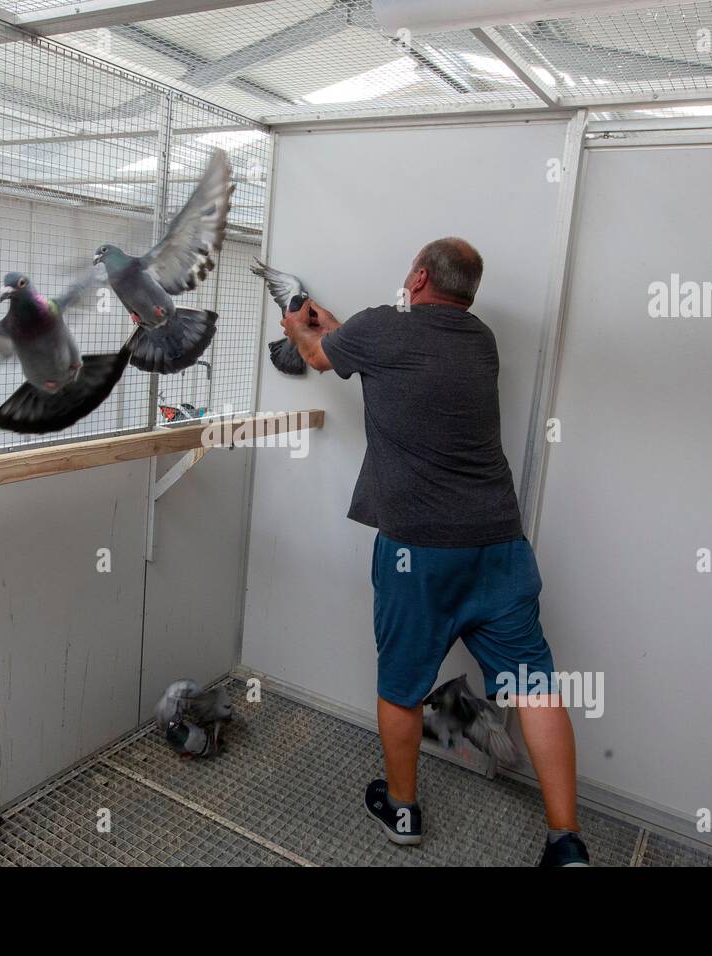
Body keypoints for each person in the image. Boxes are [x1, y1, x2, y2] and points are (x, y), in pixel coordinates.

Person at [280, 237, 589, 866]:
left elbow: (317, 356)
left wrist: (297, 322)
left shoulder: (379, 329)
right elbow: (374, 349)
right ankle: (567, 843)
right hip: (500, 547)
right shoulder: (480, 341)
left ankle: (402, 811)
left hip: (418, 553)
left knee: (401, 687)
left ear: (419, 277)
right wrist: (337, 327)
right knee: (535, 687)